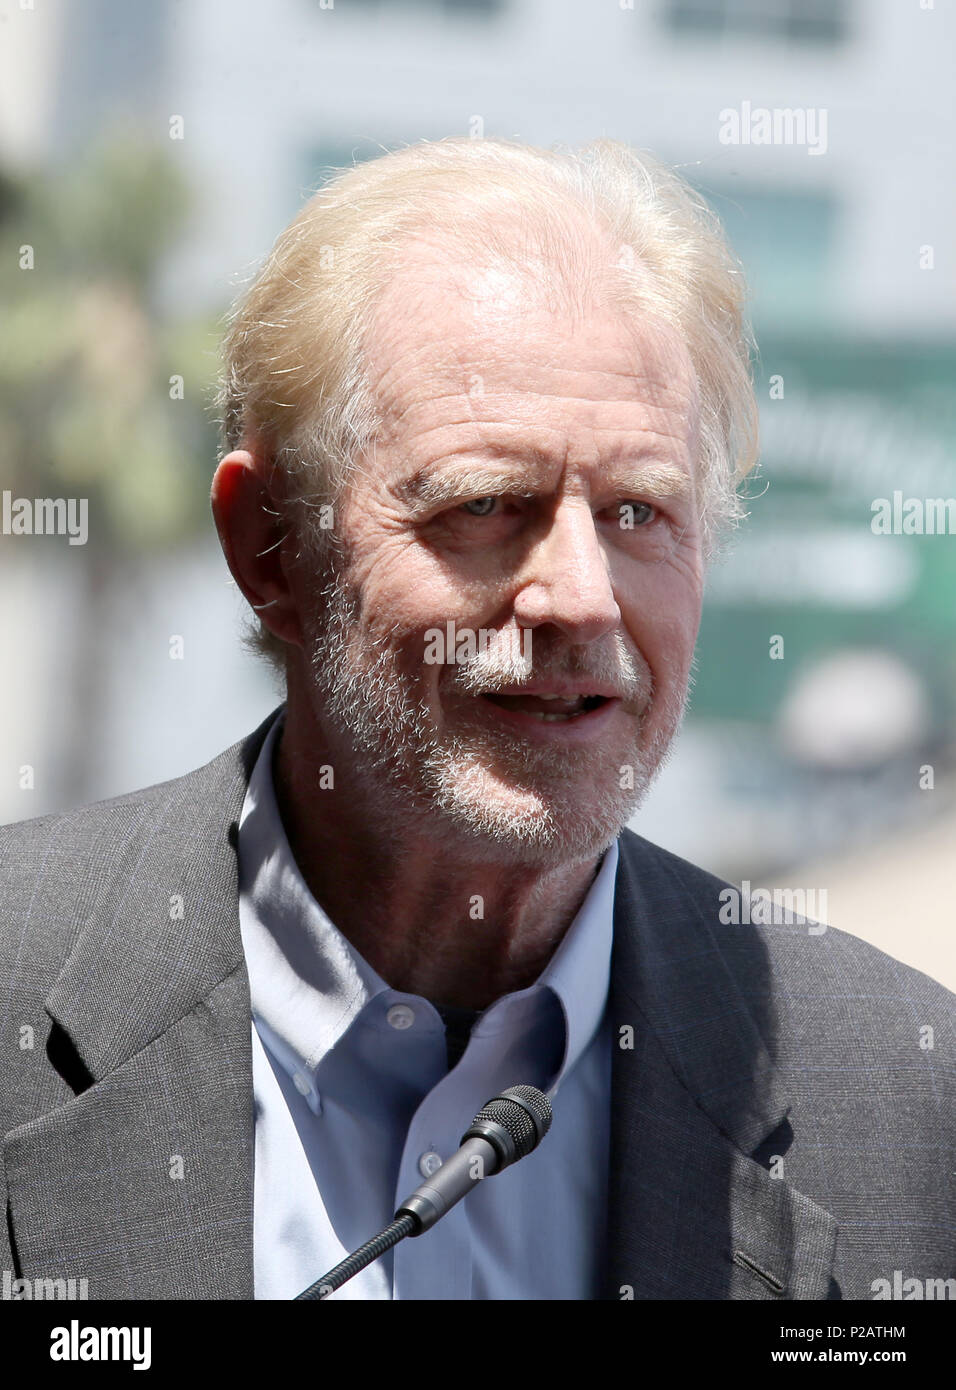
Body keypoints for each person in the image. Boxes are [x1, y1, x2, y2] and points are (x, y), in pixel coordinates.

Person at [2, 137, 953, 1301]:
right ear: (270, 548)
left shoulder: (906, 1099)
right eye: (486, 505)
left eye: (638, 510)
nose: (579, 595)